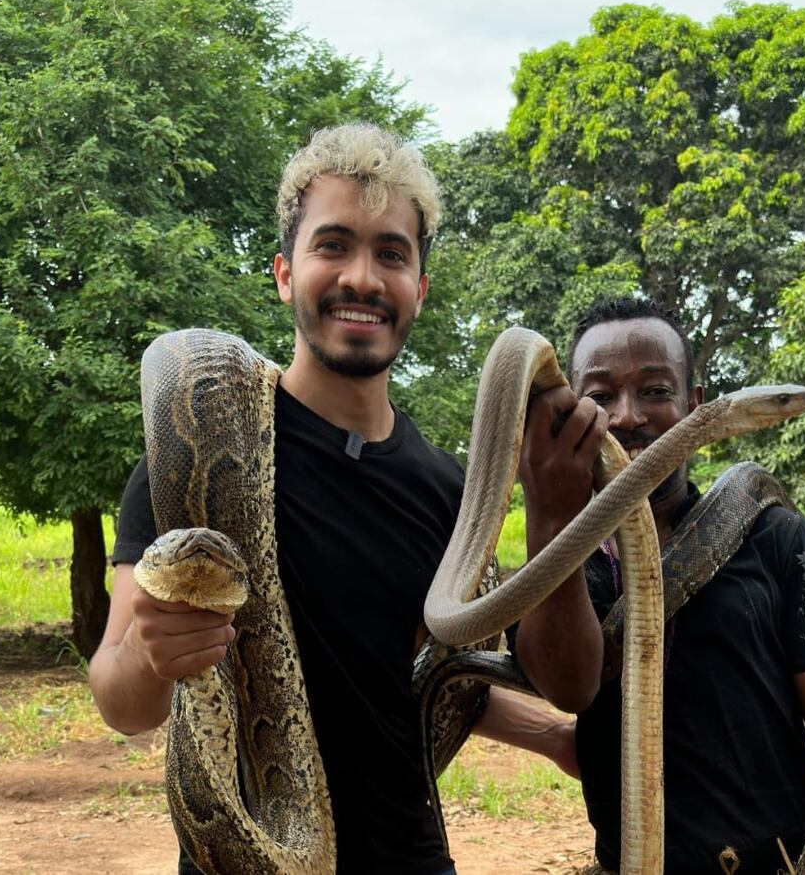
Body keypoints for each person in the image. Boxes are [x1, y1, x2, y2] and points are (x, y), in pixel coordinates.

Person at [87, 123, 574, 875]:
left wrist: (555, 738)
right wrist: (154, 655)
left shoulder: (449, 490)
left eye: (391, 253)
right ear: (285, 272)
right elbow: (122, 702)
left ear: (420, 287)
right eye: (333, 244)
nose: (362, 278)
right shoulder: (187, 449)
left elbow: (420, 687)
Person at [515, 297, 805, 875]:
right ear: (570, 410)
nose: (627, 416)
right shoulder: (566, 561)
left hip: (780, 861)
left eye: (656, 390)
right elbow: (569, 688)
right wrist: (549, 517)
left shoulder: (771, 535)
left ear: (695, 405)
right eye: (599, 397)